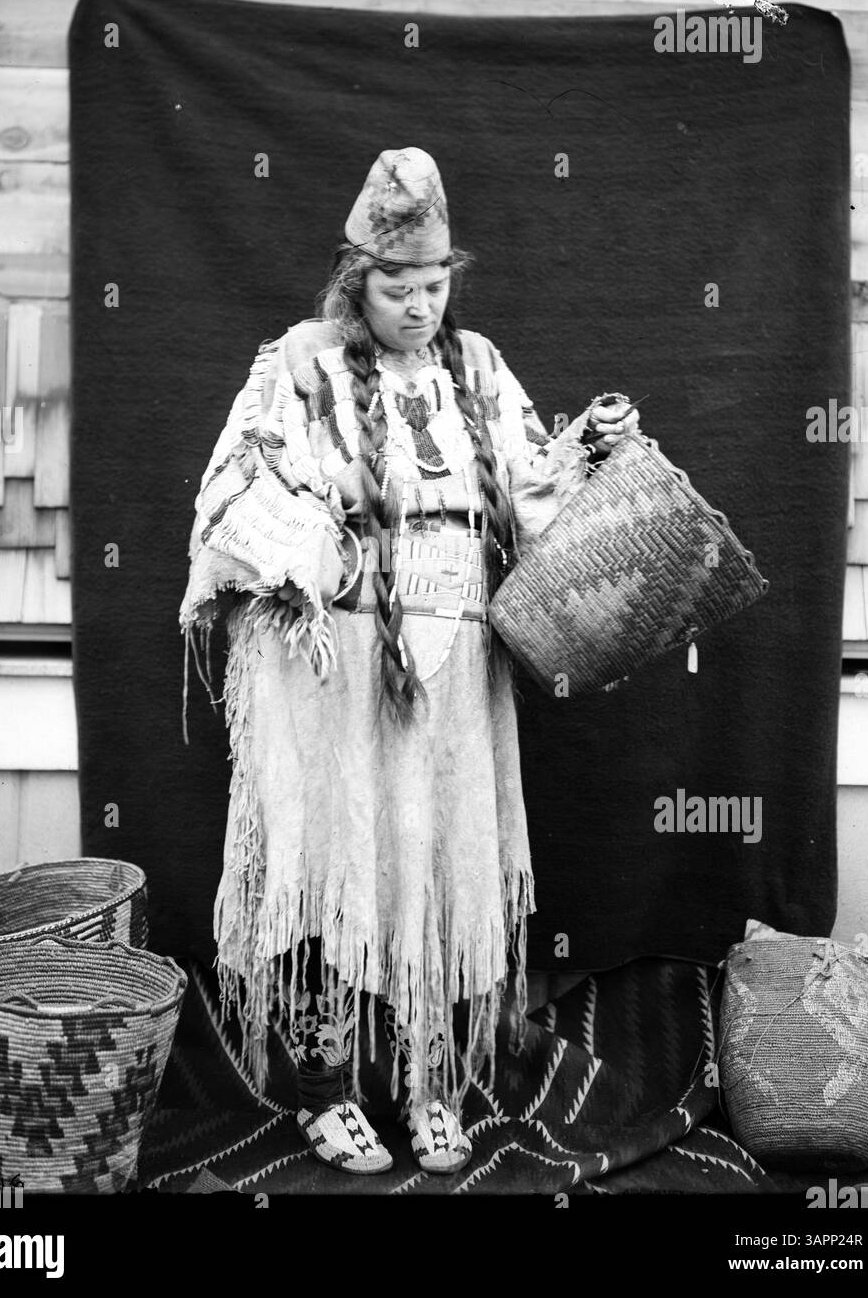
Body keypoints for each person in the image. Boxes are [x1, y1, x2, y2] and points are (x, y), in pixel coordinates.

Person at [180, 147, 640, 1176]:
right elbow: (231, 491)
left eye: (435, 286)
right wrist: (320, 547)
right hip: (336, 670)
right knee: (334, 868)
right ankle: (325, 1092)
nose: (421, 306)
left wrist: (588, 449)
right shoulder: (296, 365)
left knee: (433, 865)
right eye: (399, 288)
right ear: (358, 282)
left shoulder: (475, 371)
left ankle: (432, 1082)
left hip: (456, 670)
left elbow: (530, 492)